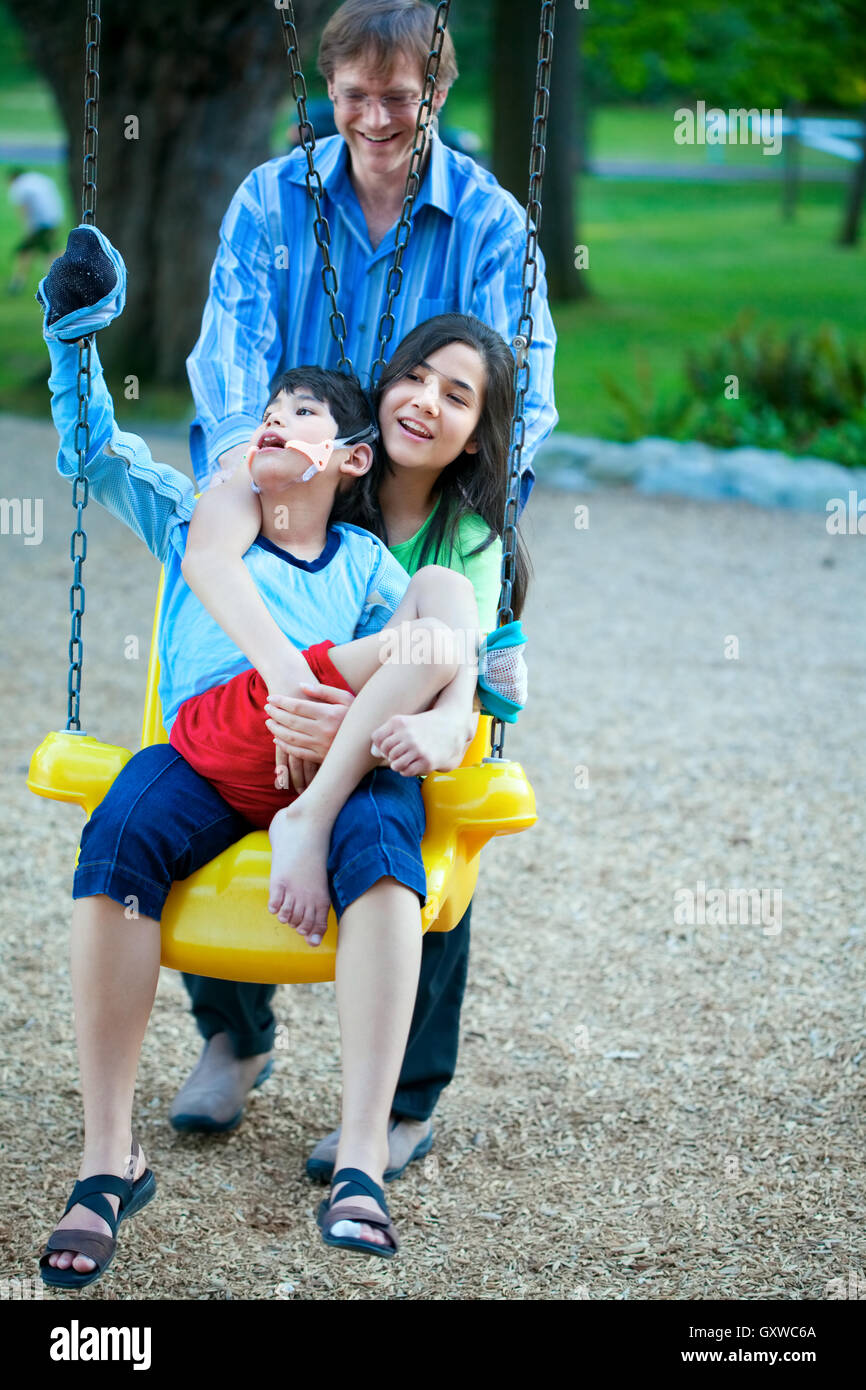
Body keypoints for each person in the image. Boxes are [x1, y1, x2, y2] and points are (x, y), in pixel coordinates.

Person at [35, 228, 528, 1281]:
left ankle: (360, 1156)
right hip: (212, 748)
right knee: (118, 826)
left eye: (304, 412)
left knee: (389, 841)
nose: (275, 421)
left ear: (352, 458)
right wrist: (75, 344)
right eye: (269, 410)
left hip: (329, 765)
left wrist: (449, 702)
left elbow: (435, 633)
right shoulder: (194, 517)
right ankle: (106, 1156)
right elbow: (91, 451)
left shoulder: (362, 561)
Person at [178, 0, 555, 1159]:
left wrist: (454, 522)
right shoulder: (269, 202)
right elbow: (227, 366)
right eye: (357, 93)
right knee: (238, 741)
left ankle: (403, 1096)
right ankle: (234, 1031)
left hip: (431, 512)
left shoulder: (488, 219)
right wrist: (276, 481)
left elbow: (515, 392)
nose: (379, 117)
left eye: (403, 94)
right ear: (326, 86)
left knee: (429, 784)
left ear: (434, 88)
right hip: (290, 507)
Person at [5, 167, 63, 293]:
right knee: (35, 252)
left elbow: (23, 209)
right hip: (54, 217)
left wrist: (28, 227)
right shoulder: (36, 179)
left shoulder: (18, 186)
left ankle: (18, 284)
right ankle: (18, 283)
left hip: (40, 223)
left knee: (31, 252)